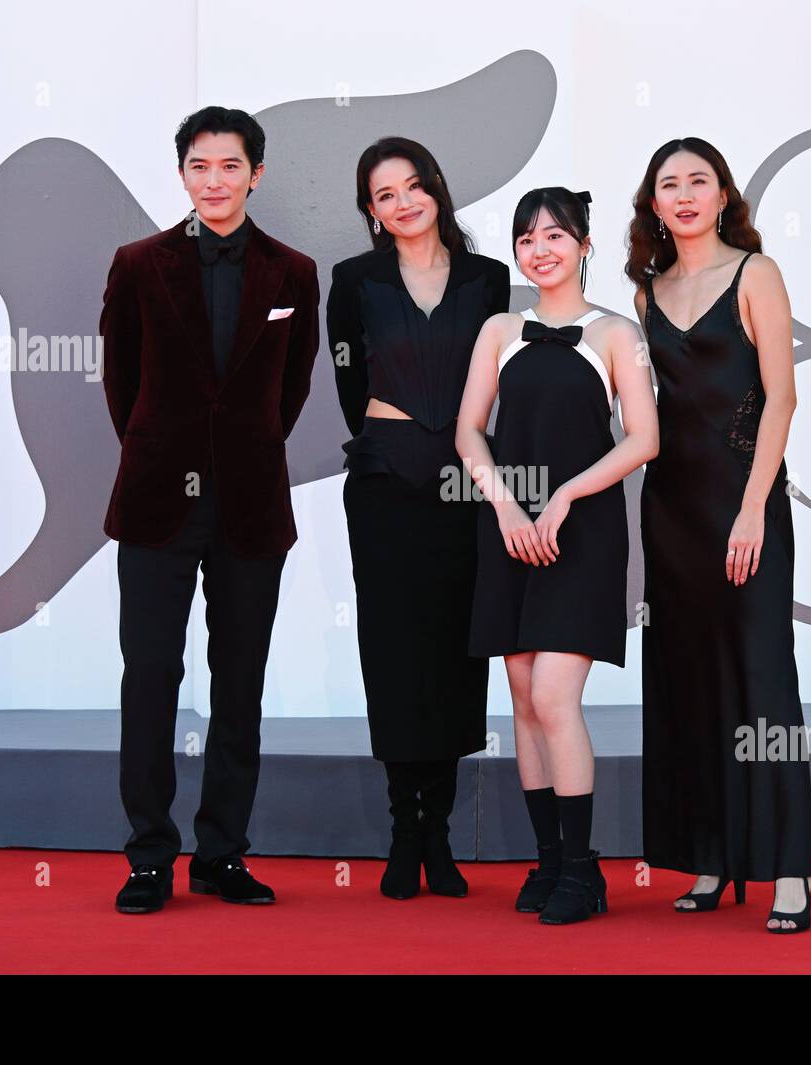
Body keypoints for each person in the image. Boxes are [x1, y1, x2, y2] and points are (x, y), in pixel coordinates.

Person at [100, 106, 320, 914]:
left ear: (255, 174)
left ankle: (223, 852)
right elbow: (122, 384)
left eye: (231, 166)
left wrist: (243, 451)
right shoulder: (137, 263)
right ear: (183, 173)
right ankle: (149, 857)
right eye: (200, 165)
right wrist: (167, 450)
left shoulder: (294, 272)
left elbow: (290, 389)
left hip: (252, 506)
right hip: (157, 501)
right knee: (151, 675)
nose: (215, 180)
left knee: (240, 683)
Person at [628, 137, 811, 933]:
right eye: (668, 184)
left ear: (722, 193)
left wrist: (753, 505)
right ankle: (708, 855)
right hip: (670, 509)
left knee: (762, 680)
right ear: (654, 203)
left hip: (745, 505)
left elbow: (782, 397)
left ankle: (786, 872)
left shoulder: (755, 273)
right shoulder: (647, 290)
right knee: (687, 679)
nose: (683, 194)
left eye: (696, 180)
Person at [457, 187, 659, 925]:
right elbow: (468, 430)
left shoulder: (615, 331)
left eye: (555, 236)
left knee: (552, 695)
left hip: (583, 531)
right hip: (510, 530)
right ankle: (548, 862)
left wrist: (566, 496)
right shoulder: (499, 329)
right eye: (526, 239)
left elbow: (644, 437)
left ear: (583, 244)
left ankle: (584, 869)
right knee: (520, 696)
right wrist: (505, 502)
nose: (540, 250)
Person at [326, 137, 510, 900]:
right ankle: (406, 827)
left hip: (464, 479)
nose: (402, 203)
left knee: (457, 649)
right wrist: (387, 442)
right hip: (386, 481)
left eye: (412, 186)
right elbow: (348, 384)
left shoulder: (489, 278)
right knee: (395, 649)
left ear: (436, 186)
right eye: (383, 194)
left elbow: (494, 378)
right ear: (369, 210)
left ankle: (440, 831)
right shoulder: (351, 280)